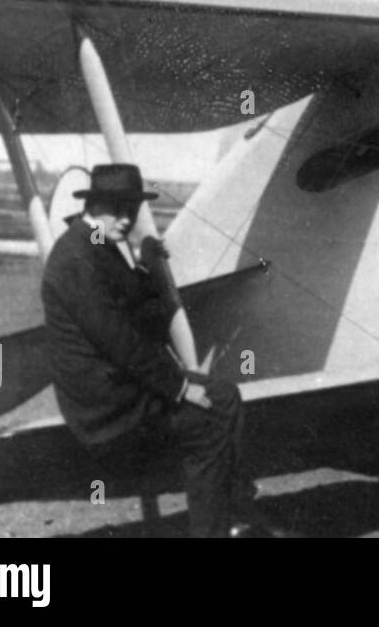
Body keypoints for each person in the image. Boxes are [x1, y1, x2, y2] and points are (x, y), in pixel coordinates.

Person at [42, 163, 259, 537]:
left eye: (132, 209)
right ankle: (217, 526)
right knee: (209, 425)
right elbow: (121, 343)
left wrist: (147, 262)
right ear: (94, 204)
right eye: (118, 208)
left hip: (120, 388)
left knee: (227, 395)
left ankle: (232, 505)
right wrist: (179, 387)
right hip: (106, 408)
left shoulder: (96, 245)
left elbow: (140, 311)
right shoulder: (75, 258)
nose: (127, 219)